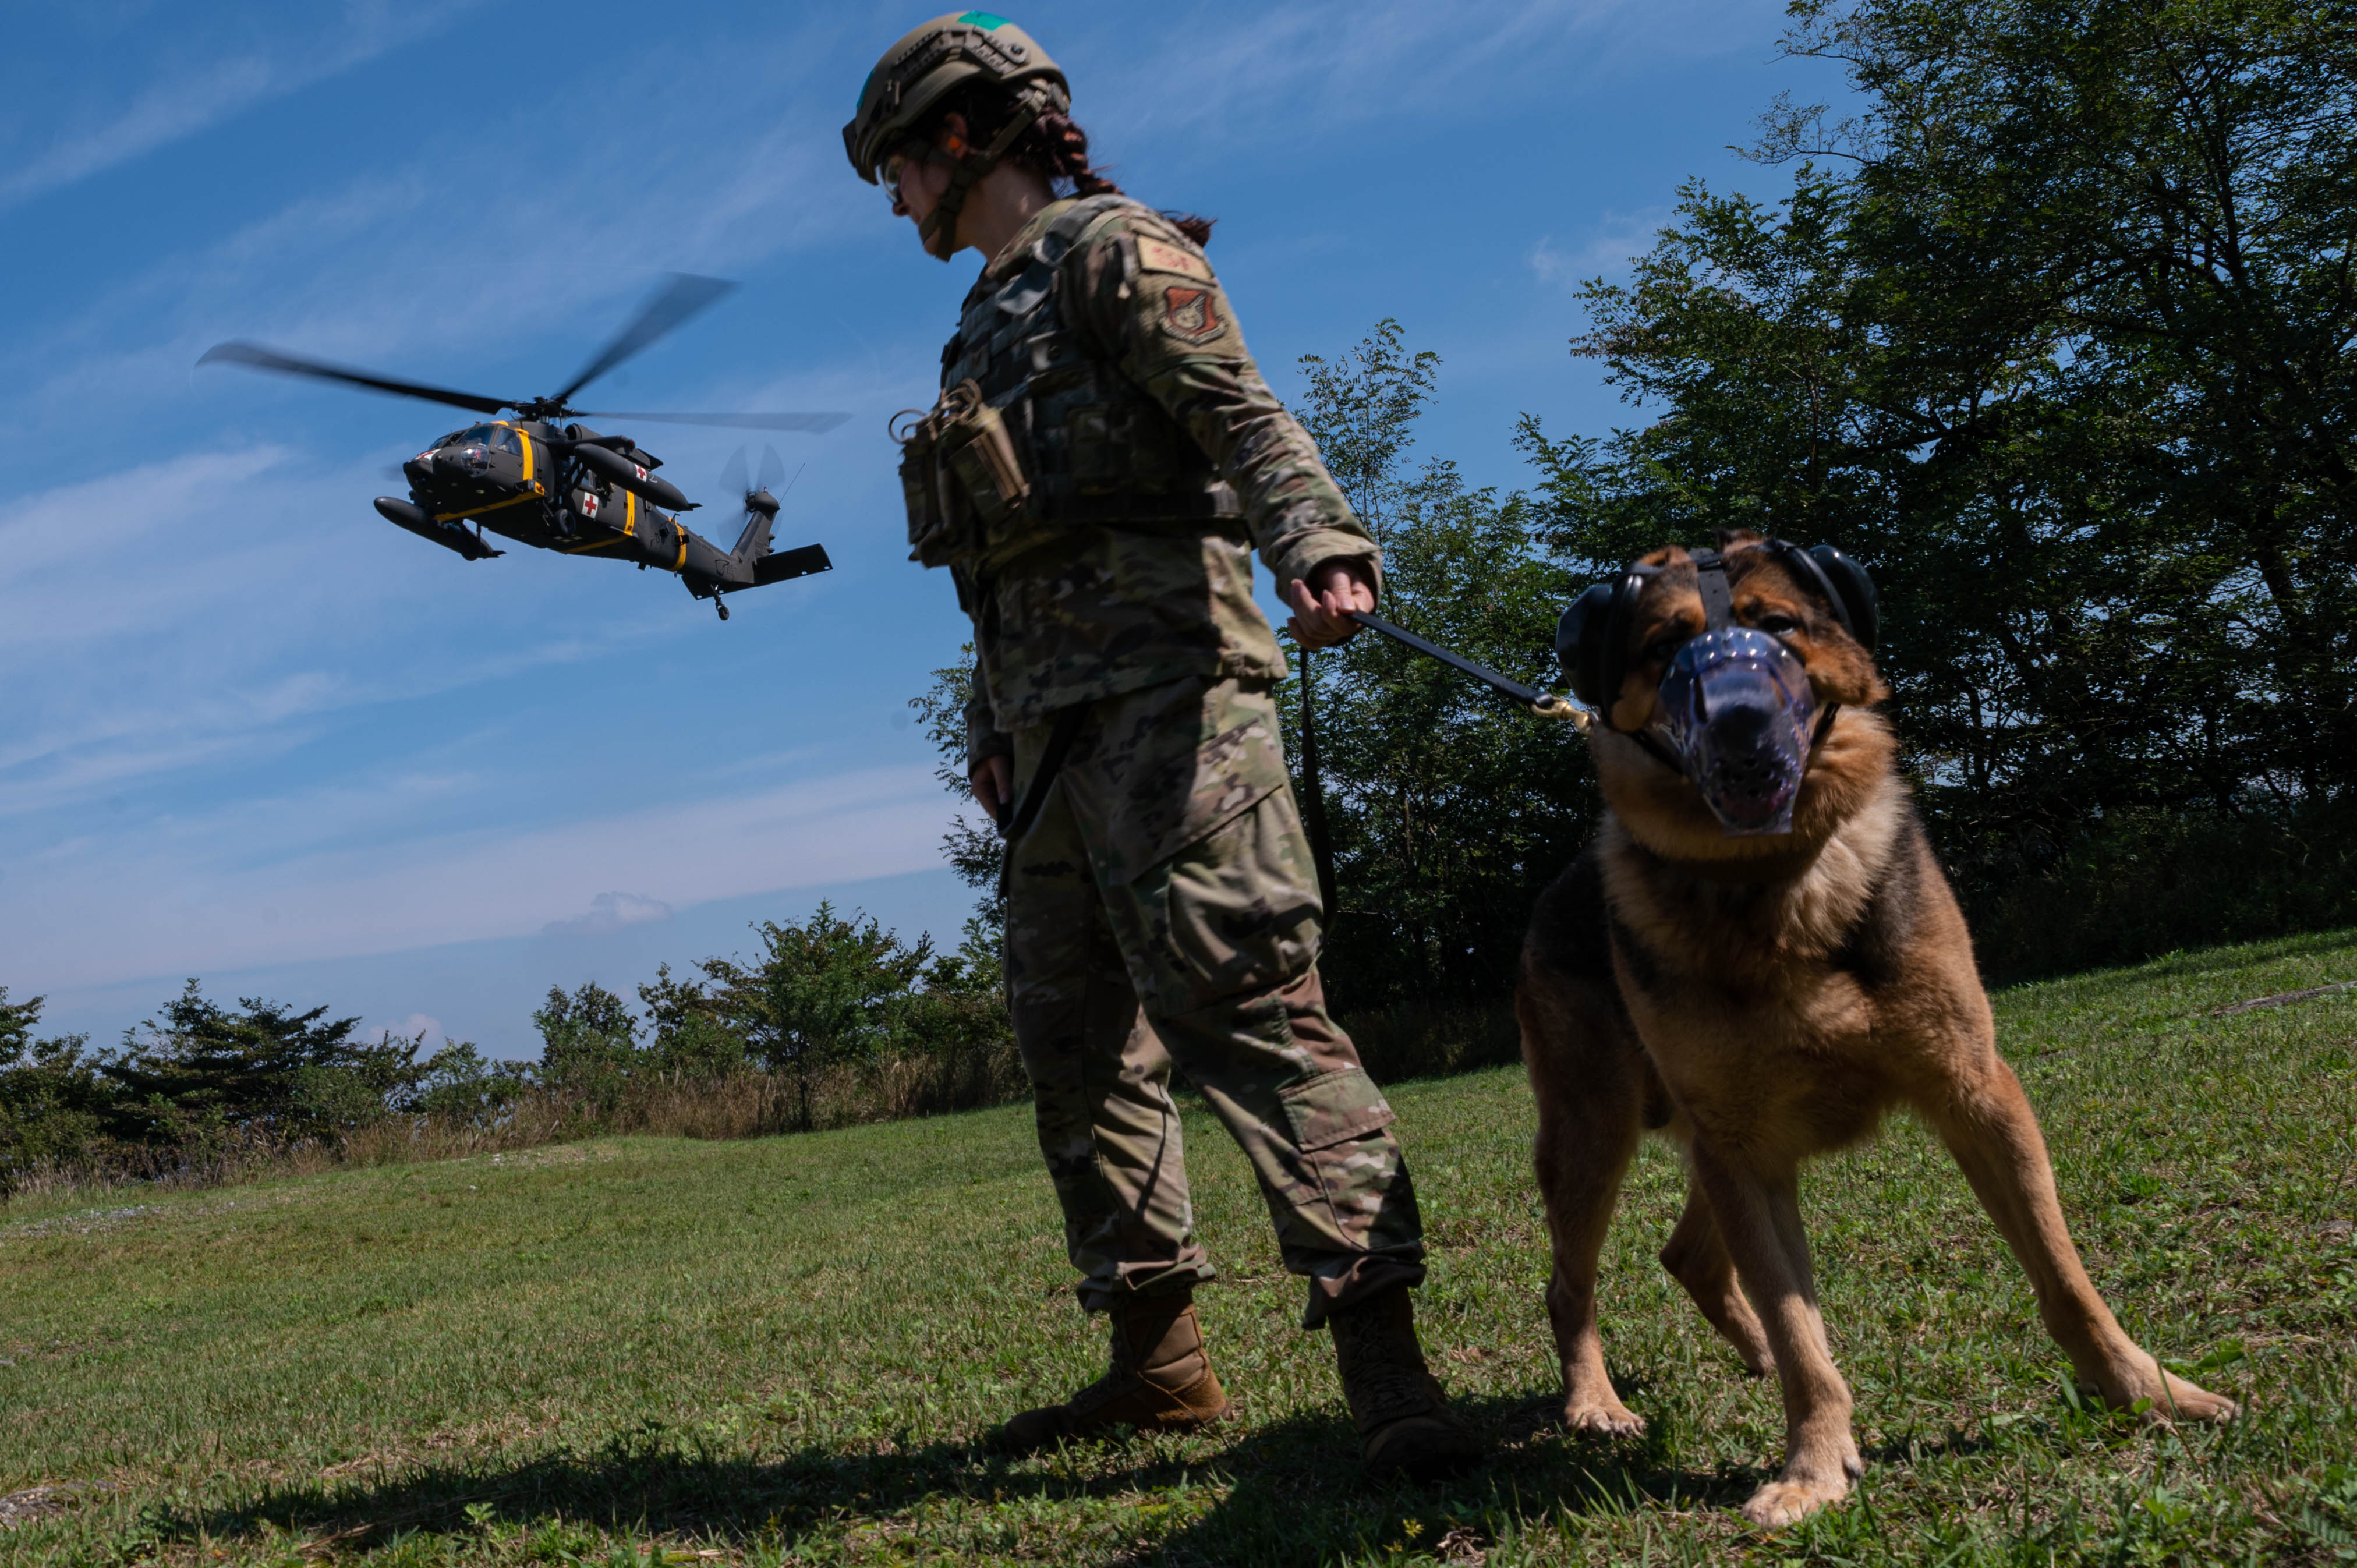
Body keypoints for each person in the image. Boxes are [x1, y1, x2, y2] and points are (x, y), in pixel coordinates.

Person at [845, 13, 1478, 1479]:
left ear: (955, 141)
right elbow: (999, 558)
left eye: (894, 168)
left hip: (1177, 703)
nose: (892, 204)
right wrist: (991, 725)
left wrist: (1315, 539)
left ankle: (1390, 1377)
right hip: (1051, 739)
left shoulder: (1113, 251)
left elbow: (1240, 410)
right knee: (1075, 1047)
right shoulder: (977, 326)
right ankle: (1160, 1365)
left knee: (1253, 1010)